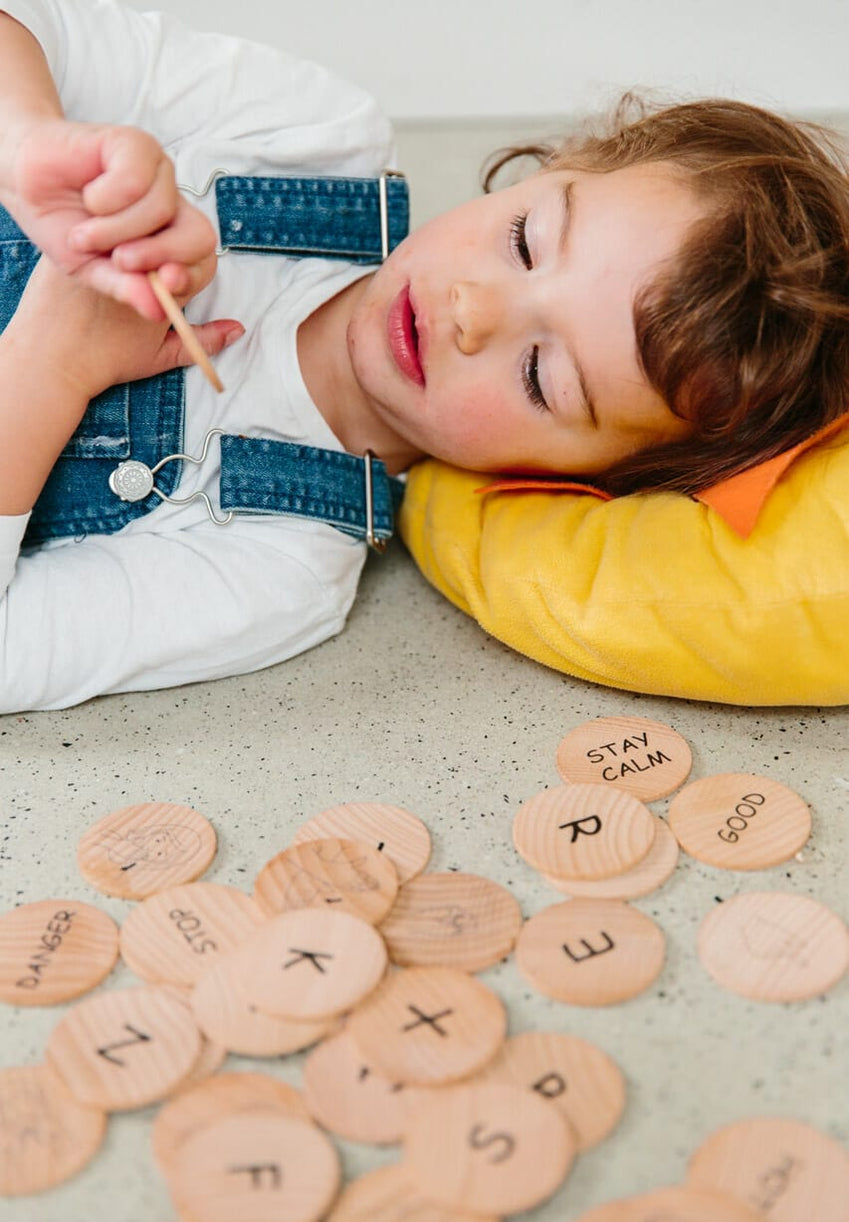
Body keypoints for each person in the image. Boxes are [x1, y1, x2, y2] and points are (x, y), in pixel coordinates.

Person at [1, 0, 848, 712]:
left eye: (539, 377)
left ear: (573, 482)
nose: (471, 312)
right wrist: (34, 144)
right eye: (524, 240)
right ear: (560, 161)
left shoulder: (274, 567)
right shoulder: (300, 135)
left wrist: (49, 370)